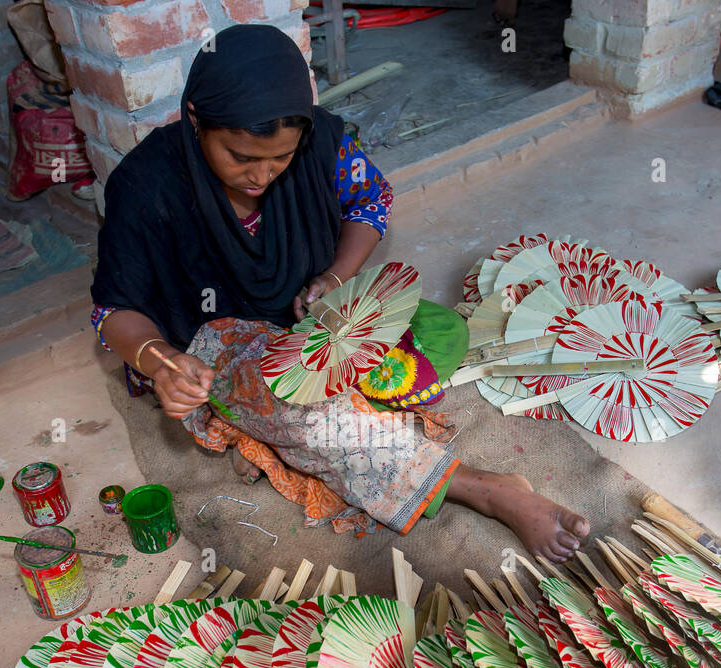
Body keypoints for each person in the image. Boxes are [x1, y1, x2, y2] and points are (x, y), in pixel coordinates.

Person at [88, 24, 587, 562]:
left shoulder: (322, 138)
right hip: (213, 342)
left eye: (280, 158)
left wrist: (335, 278)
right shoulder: (145, 185)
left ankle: (267, 433)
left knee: (438, 332)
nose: (261, 176)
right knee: (308, 411)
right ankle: (481, 488)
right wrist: (160, 361)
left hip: (312, 315)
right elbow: (113, 308)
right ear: (194, 121)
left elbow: (369, 203)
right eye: (240, 156)